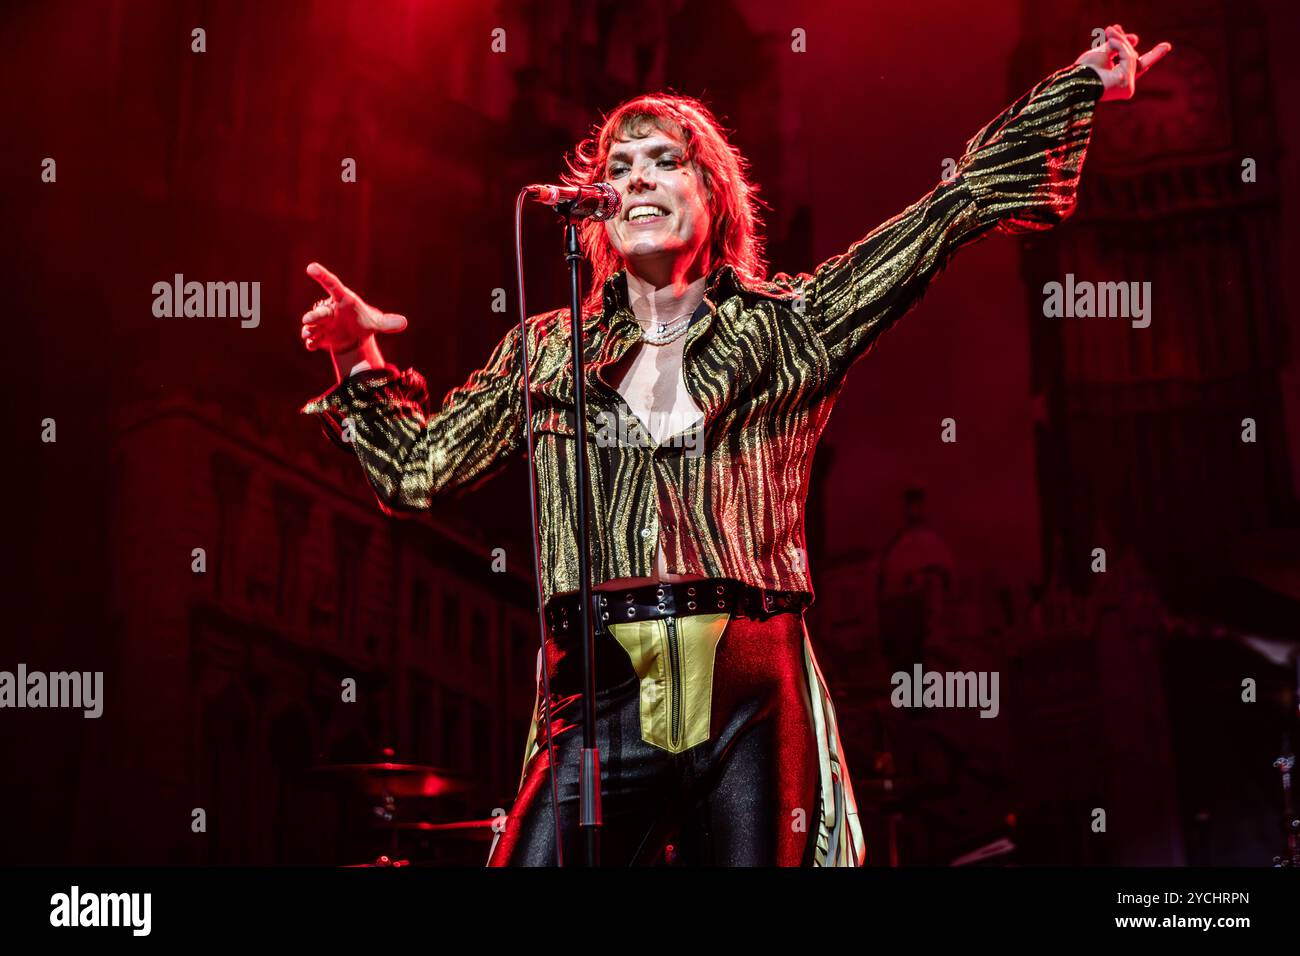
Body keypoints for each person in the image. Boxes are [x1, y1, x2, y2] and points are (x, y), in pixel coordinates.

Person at [297, 25, 1171, 866]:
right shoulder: (545, 351)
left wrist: (1084, 86)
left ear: (713, 195)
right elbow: (417, 472)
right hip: (594, 696)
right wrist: (355, 349)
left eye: (664, 161)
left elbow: (948, 210)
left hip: (750, 687)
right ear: (596, 207)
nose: (636, 179)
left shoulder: (786, 329)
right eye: (617, 168)